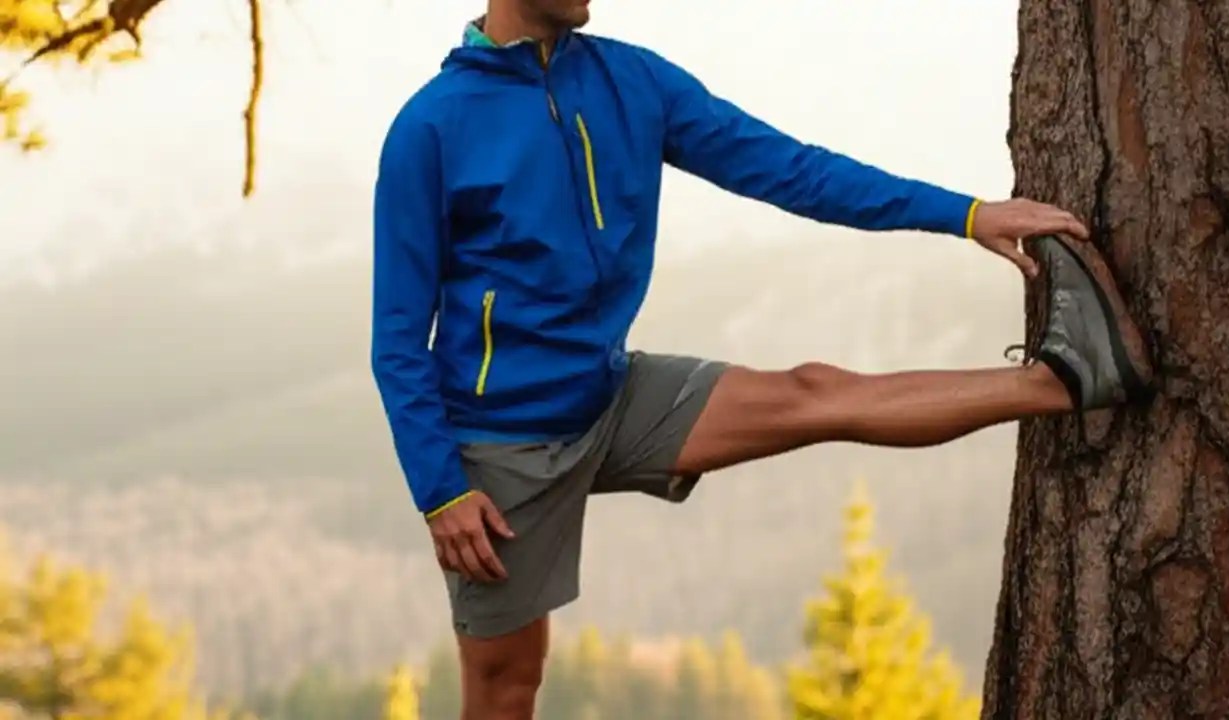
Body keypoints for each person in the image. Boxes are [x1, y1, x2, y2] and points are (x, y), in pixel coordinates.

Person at [370, 1, 1154, 717]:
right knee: (506, 690)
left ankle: (1069, 380)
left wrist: (967, 214)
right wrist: (441, 491)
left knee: (816, 392)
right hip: (503, 447)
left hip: (609, 393)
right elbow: (399, 340)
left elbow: (792, 170)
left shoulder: (631, 80)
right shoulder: (432, 128)